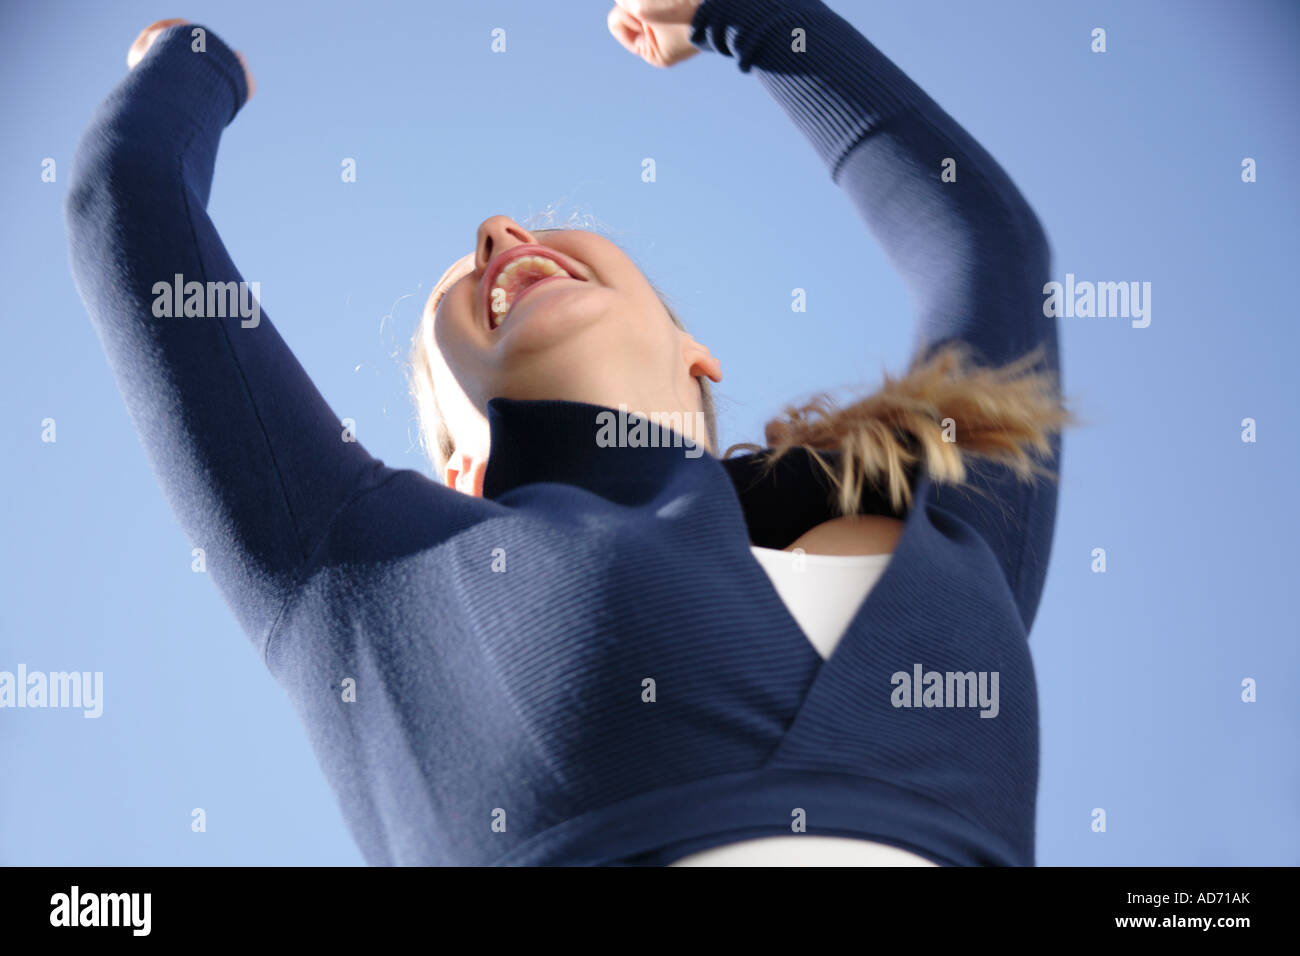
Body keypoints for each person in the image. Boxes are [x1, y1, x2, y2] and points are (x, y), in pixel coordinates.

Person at [66, 0, 1071, 866]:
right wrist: (195, 61)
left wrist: (746, 17)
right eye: (449, 300)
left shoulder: (940, 501)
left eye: (543, 227)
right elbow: (128, 200)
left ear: (697, 350)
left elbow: (989, 246)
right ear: (457, 465)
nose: (500, 233)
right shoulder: (377, 574)